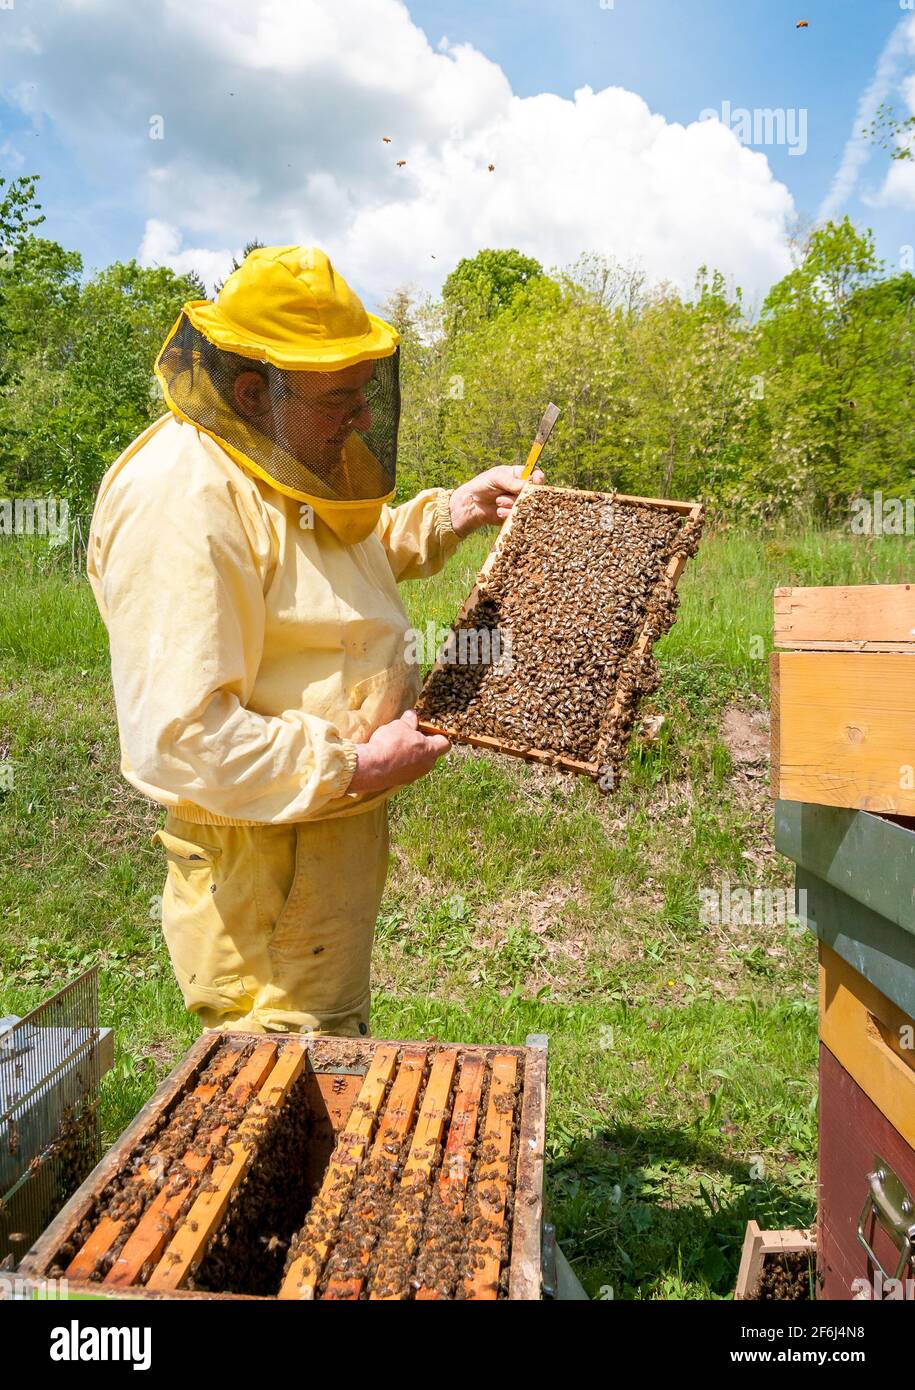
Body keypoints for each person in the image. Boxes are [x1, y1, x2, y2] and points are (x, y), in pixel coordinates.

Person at [87, 244, 543, 1037]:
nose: (364, 416)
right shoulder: (182, 501)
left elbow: (334, 562)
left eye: (367, 392)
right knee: (276, 1074)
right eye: (342, 397)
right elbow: (183, 737)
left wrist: (455, 511)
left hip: (324, 823)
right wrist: (356, 765)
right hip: (261, 858)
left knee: (328, 1045)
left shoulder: (281, 455)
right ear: (254, 391)